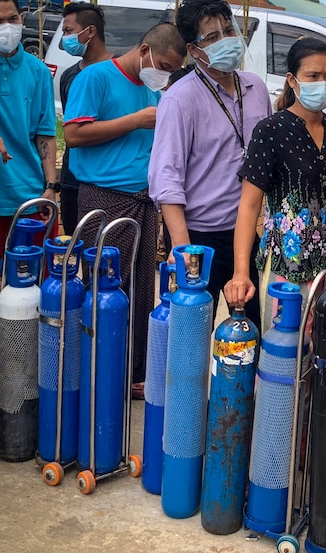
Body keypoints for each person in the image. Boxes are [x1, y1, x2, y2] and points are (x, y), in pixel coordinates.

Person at [64, 23, 186, 399]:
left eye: (171, 70)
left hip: (144, 200)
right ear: (144, 48)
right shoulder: (96, 78)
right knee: (105, 284)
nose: (164, 74)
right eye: (162, 64)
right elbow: (73, 135)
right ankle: (99, 366)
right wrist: (135, 120)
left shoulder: (154, 88)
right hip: (104, 198)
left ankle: (132, 370)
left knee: (140, 291)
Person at [150, 0, 271, 331]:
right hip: (200, 236)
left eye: (229, 31)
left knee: (249, 334)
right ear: (193, 49)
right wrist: (183, 248)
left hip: (247, 235)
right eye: (212, 36)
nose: (226, 40)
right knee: (192, 338)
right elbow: (166, 179)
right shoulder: (180, 99)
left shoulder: (256, 88)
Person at [223, 37, 326, 317]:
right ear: (293, 81)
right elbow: (248, 206)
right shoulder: (271, 130)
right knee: (282, 354)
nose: (323, 82)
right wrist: (240, 272)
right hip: (285, 268)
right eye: (313, 76)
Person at [0, 0, 57, 267]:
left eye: (13, 19)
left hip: (31, 199)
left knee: (33, 291)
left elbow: (45, 135)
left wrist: (50, 187)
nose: (8, 28)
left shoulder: (38, 71)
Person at [58, 1, 113, 235]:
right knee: (74, 251)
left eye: (69, 31)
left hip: (109, 183)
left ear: (90, 31)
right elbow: (71, 129)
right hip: (72, 182)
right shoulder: (69, 76)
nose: (64, 39)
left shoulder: (119, 71)